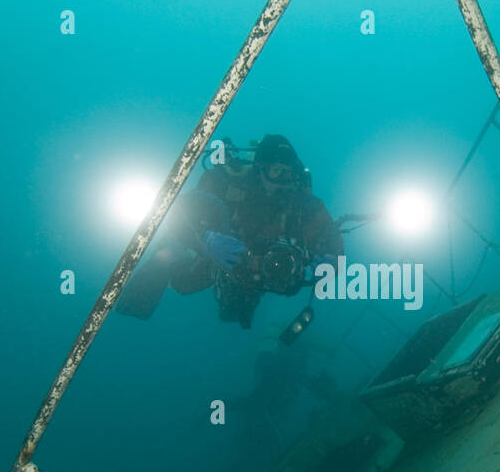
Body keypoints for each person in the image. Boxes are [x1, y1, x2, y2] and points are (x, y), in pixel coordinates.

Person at [116, 134, 344, 329]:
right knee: (182, 282)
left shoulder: (304, 204)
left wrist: (332, 261)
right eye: (276, 172)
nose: (284, 182)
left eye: (289, 174)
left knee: (236, 311)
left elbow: (330, 237)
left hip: (263, 272)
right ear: (261, 169)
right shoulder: (228, 185)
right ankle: (139, 298)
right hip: (218, 258)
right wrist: (205, 240)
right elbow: (178, 213)